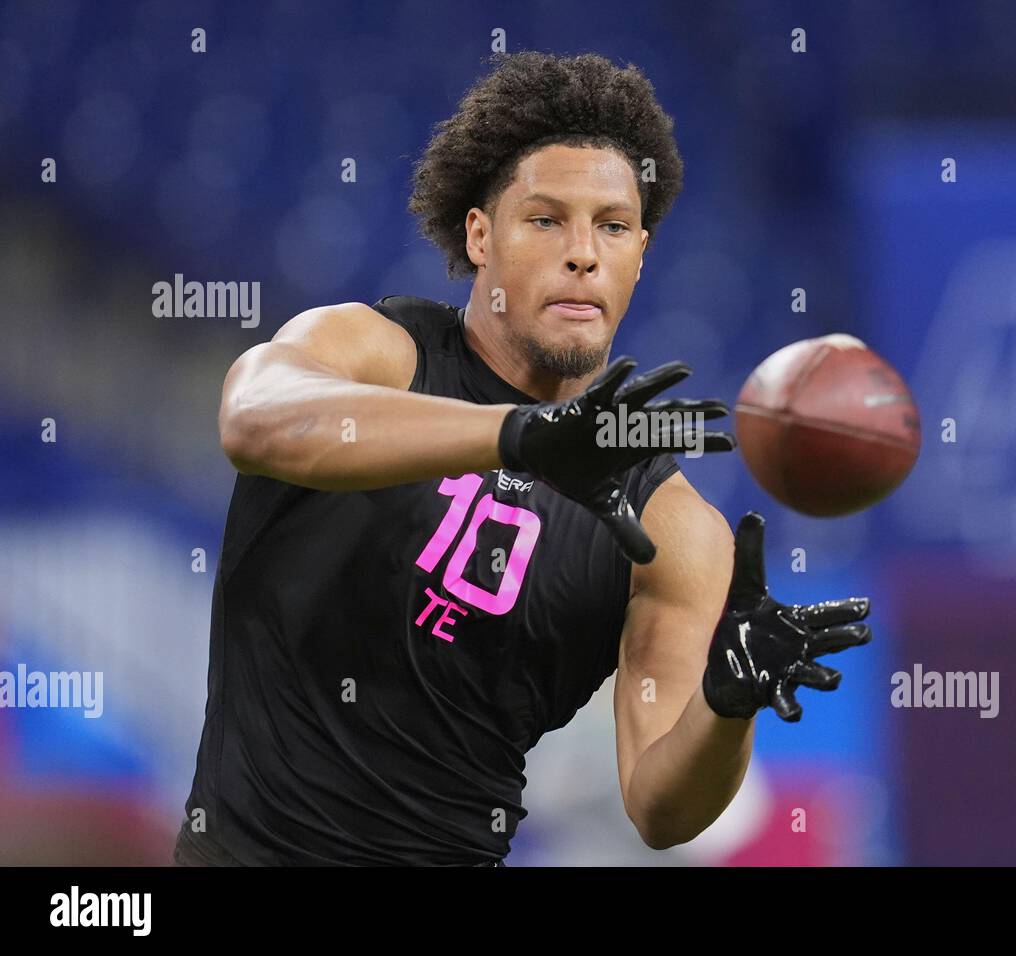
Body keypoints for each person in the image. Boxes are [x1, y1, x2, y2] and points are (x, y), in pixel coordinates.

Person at [174, 51, 871, 866]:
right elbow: (253, 420)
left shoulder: (673, 528)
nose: (583, 253)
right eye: (546, 220)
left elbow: (661, 808)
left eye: (612, 226)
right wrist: (516, 436)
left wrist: (728, 706)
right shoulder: (371, 351)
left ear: (640, 254)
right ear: (480, 234)